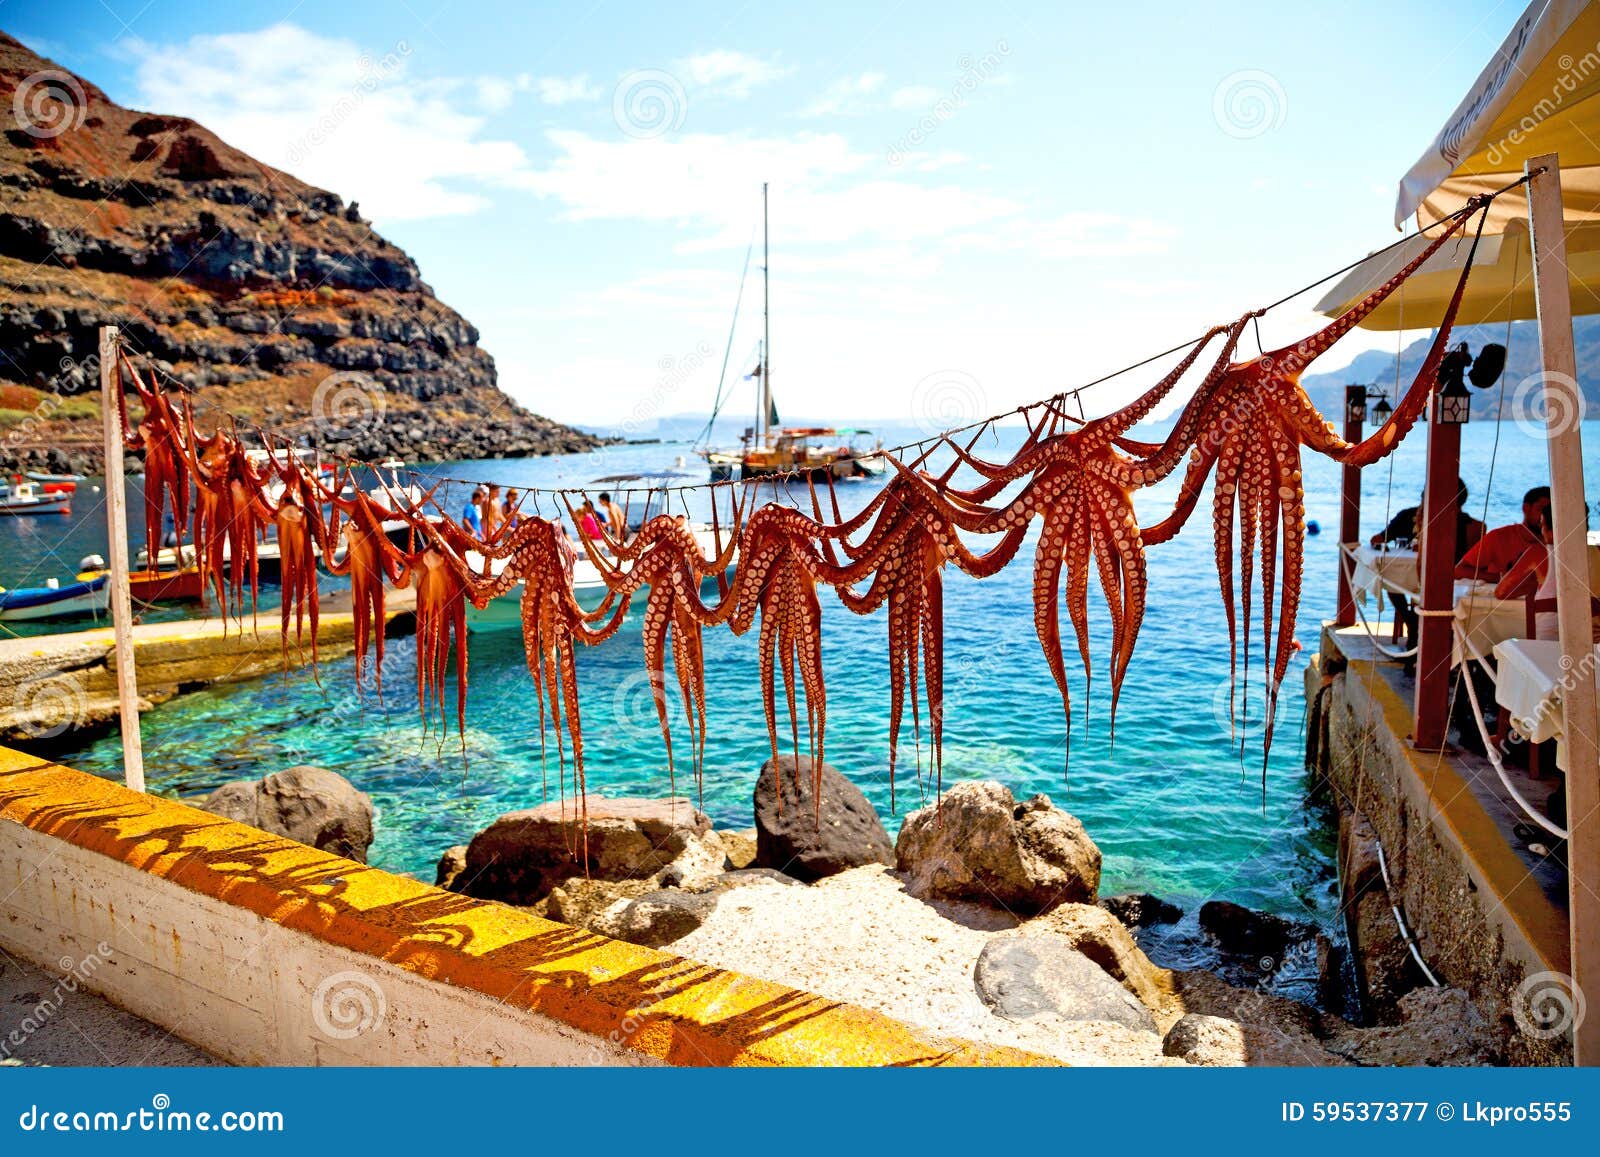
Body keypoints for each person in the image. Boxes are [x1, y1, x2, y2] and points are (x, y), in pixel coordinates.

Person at [1455, 486, 1551, 583]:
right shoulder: (1498, 537)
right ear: (1526, 508)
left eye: (1551, 512)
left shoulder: (1557, 542)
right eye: (1542, 510)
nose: (1546, 516)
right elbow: (1459, 571)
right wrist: (1502, 579)